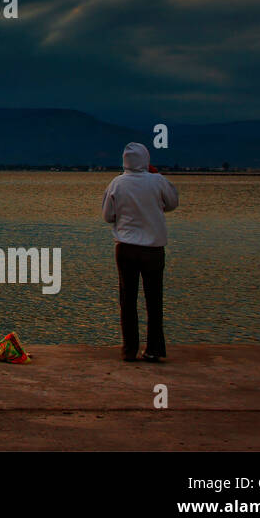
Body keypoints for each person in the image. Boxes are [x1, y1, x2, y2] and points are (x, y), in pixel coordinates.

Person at [101, 142, 177, 363]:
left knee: (128, 299)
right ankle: (154, 349)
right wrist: (155, 174)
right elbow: (172, 203)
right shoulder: (157, 181)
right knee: (154, 300)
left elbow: (108, 216)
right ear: (146, 159)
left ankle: (129, 350)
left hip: (126, 249)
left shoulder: (117, 183)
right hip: (153, 250)